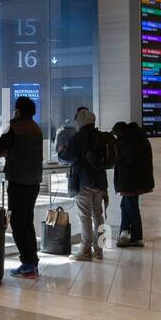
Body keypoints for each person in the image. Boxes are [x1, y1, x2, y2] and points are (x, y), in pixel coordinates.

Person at [0, 95, 44, 279]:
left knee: (17, 223)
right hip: (34, 182)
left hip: (18, 181)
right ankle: (32, 262)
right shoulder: (36, 128)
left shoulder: (15, 128)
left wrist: (9, 152)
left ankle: (28, 263)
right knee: (27, 222)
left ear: (18, 110)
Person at [60, 108, 108, 261]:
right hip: (100, 181)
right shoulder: (100, 136)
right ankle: (99, 250)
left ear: (80, 122)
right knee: (98, 215)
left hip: (84, 181)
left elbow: (68, 157)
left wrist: (61, 152)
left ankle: (86, 250)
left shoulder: (78, 137)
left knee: (85, 216)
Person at [112, 120, 154, 248]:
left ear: (120, 132)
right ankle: (125, 234)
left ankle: (136, 237)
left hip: (129, 180)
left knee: (131, 208)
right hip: (141, 179)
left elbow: (118, 159)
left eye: (116, 134)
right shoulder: (141, 137)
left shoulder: (124, 141)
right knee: (125, 205)